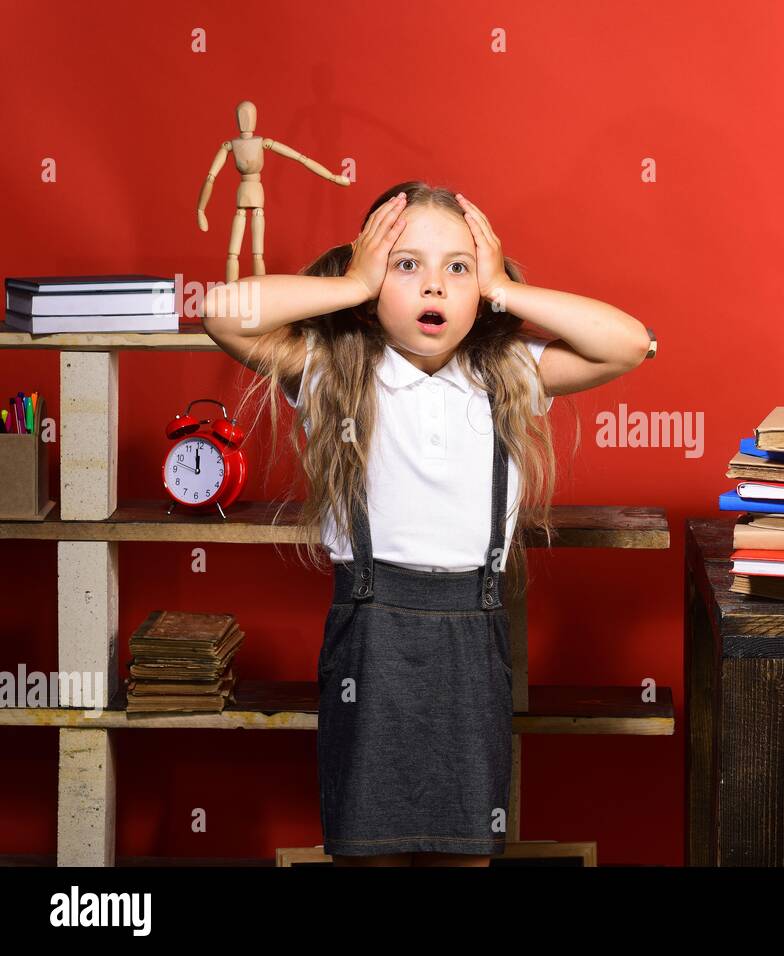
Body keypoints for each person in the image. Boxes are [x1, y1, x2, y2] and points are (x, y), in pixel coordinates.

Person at [201, 180, 650, 866]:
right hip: (371, 633)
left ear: (483, 291)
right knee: (367, 847)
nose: (433, 286)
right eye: (406, 265)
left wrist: (506, 286)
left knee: (467, 848)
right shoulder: (333, 371)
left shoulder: (507, 373)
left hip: (473, 635)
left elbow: (629, 344)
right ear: (374, 278)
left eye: (458, 268)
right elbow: (221, 313)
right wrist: (352, 281)